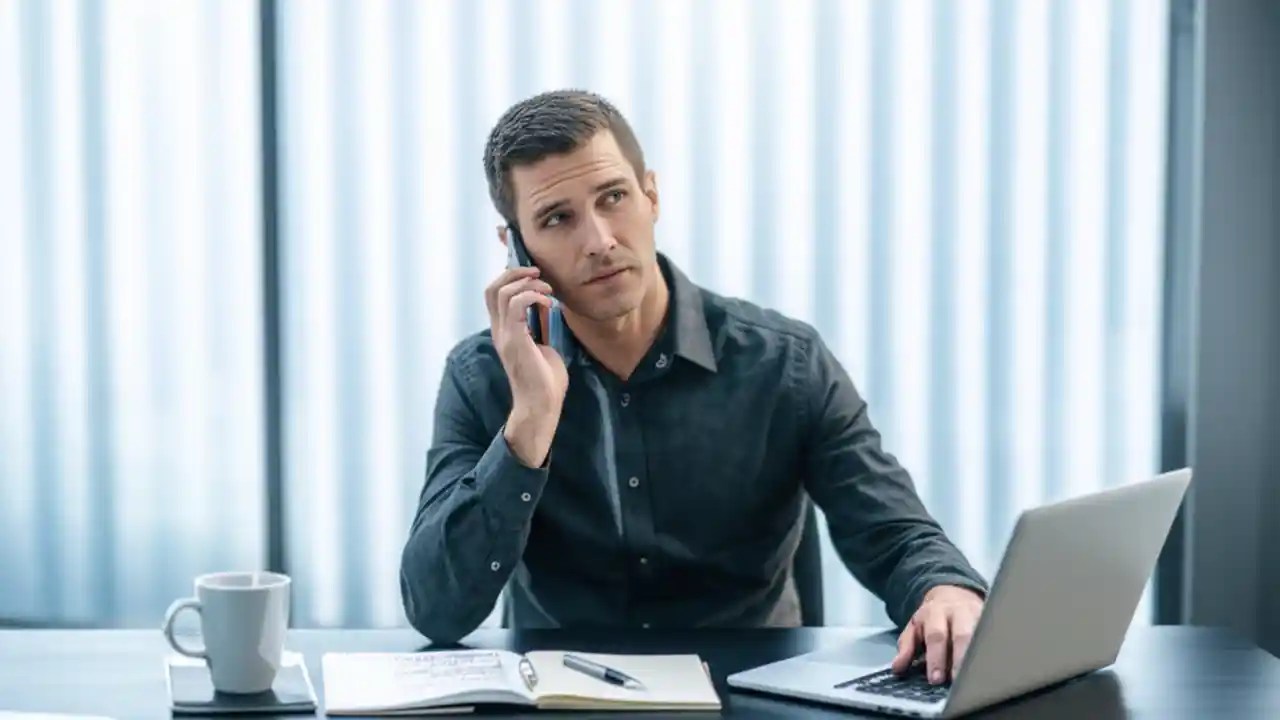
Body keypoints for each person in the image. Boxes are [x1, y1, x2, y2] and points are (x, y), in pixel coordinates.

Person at [400, 89, 987, 685]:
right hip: (567, 696)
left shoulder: (784, 363)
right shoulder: (482, 377)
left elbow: (894, 531)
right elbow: (436, 610)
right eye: (557, 218)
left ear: (651, 195)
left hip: (753, 694)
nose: (599, 240)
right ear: (517, 249)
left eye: (613, 197)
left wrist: (945, 590)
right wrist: (529, 421)